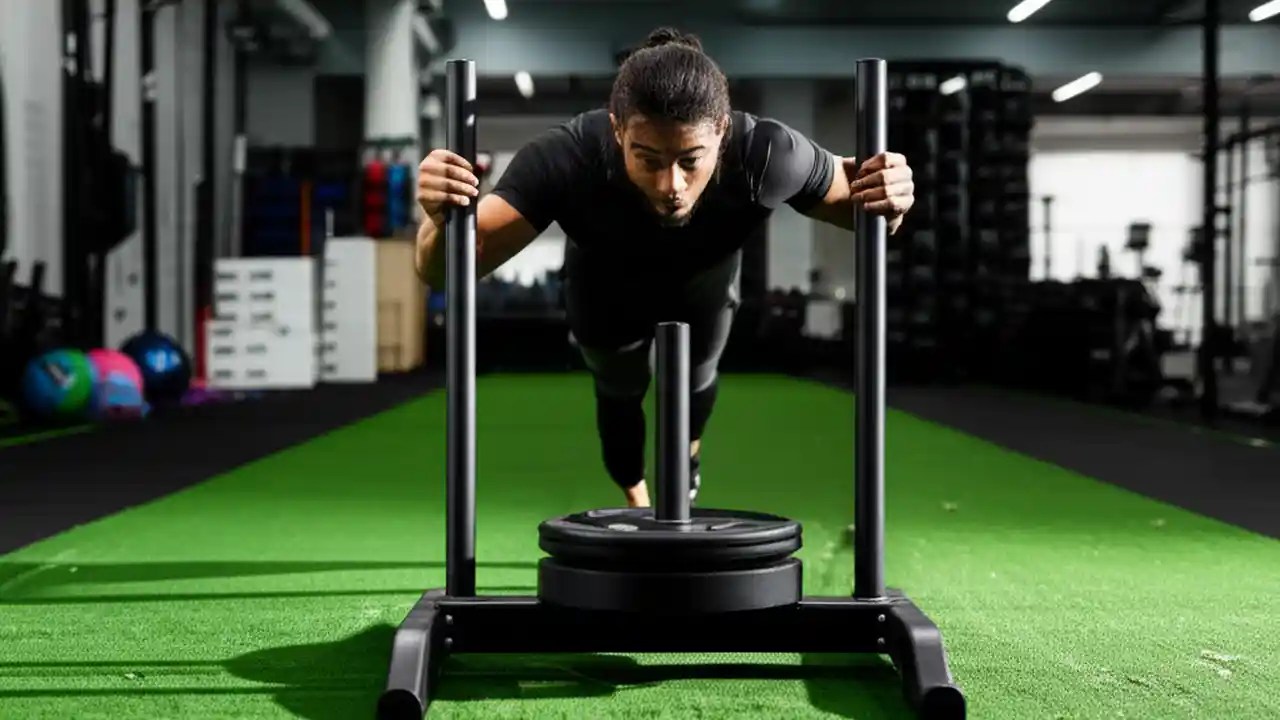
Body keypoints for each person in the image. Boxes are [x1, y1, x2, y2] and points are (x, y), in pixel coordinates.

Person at [415, 27, 915, 509]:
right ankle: (636, 496)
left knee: (696, 383)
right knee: (620, 392)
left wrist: (892, 194)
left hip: (706, 283)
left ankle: (687, 459)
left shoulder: (767, 153)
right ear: (617, 130)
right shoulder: (567, 158)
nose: (669, 183)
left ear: (720, 132)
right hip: (604, 287)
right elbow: (443, 269)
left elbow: (866, 207)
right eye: (648, 158)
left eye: (689, 160)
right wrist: (438, 220)